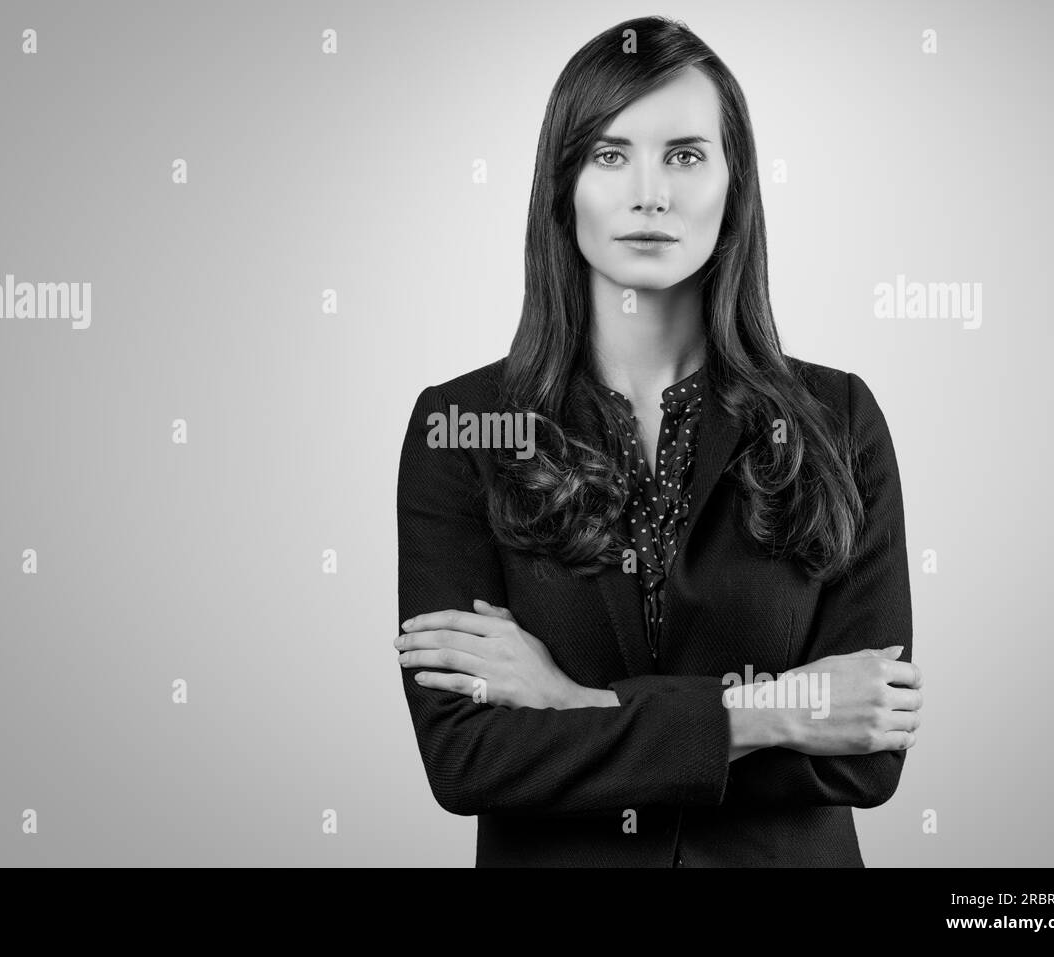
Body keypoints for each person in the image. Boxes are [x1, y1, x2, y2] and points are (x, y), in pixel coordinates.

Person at [394, 15, 922, 867]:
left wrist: (569, 704)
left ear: (734, 186)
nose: (651, 193)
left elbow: (867, 751)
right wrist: (771, 715)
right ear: (564, 187)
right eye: (611, 154)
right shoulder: (462, 429)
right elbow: (467, 759)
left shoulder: (839, 418)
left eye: (685, 154)